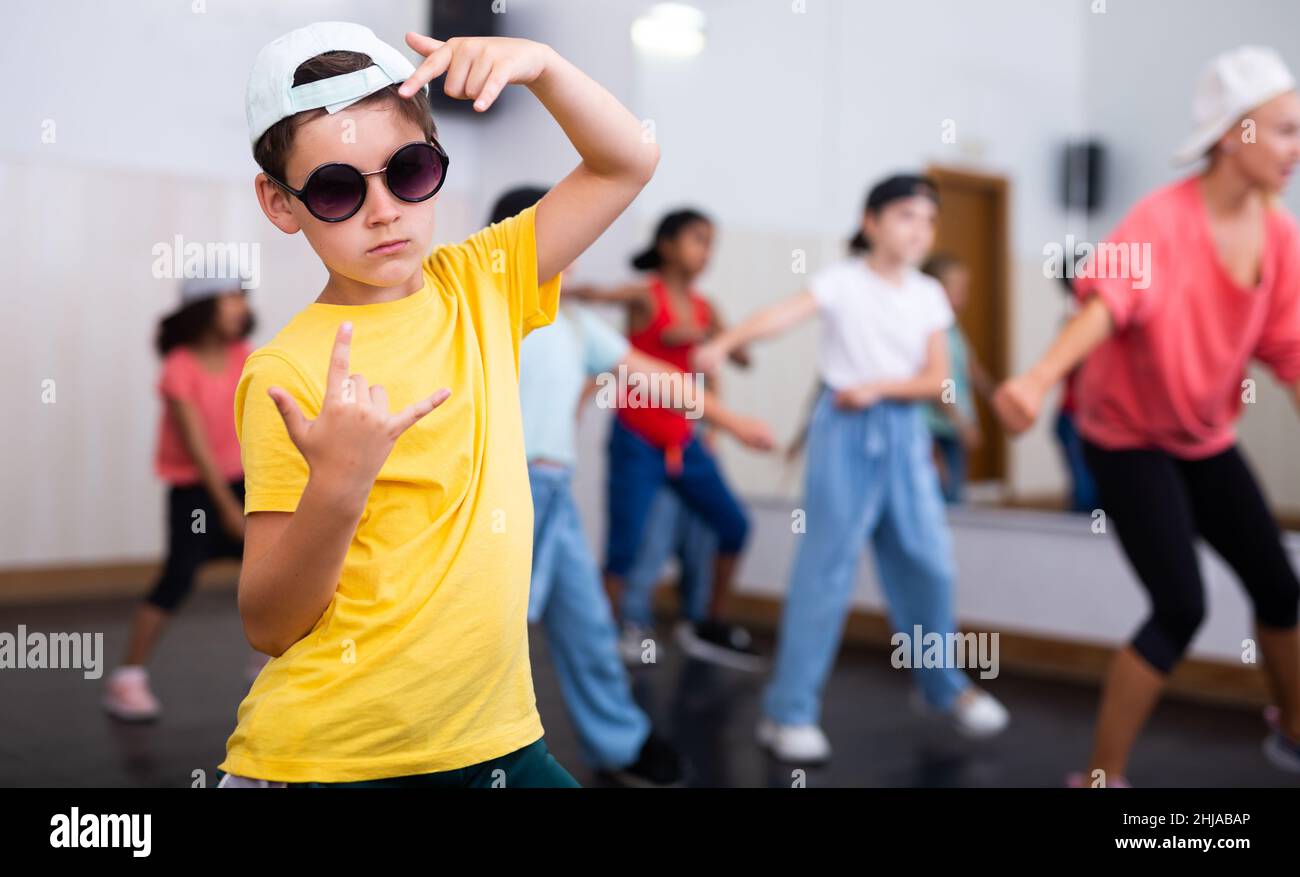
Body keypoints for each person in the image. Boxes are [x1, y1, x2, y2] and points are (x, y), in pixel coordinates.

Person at [215, 21, 659, 788]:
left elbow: (627, 162)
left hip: (497, 738)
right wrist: (338, 487)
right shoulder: (286, 370)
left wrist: (545, 68)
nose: (383, 210)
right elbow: (269, 621)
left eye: (408, 171)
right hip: (336, 758)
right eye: (336, 189)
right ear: (280, 203)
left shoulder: (484, 280)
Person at [993, 46, 1300, 784]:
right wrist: (1037, 378)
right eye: (1286, 130)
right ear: (1236, 136)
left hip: (1202, 434)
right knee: (1180, 605)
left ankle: (1292, 728)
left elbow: (1290, 350)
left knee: (1281, 590)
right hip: (1125, 439)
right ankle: (1101, 775)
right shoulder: (1160, 222)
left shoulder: (1280, 236)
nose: (1297, 149)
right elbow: (1105, 307)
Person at [696, 174, 1010, 763]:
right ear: (872, 223)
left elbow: (937, 378)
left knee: (931, 565)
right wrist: (725, 341)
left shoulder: (928, 296)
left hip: (901, 429)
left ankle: (942, 687)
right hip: (843, 432)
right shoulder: (841, 282)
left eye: (928, 220)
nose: (919, 230)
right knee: (826, 572)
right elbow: (782, 315)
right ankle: (787, 713)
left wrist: (879, 388)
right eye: (905, 217)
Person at [503, 185, 773, 785]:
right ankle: (468, 757)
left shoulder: (573, 324)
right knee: (494, 635)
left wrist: (731, 421)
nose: (574, 254)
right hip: (505, 495)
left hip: (556, 492)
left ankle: (620, 741)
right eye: (561, 238)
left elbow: (653, 377)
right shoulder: (491, 310)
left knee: (590, 628)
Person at [569, 209, 764, 671]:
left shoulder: (706, 307)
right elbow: (596, 295)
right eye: (698, 240)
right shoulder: (644, 296)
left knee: (734, 525)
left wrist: (713, 337)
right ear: (668, 244)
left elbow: (740, 359)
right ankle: (604, 635)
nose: (706, 252)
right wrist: (547, 280)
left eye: (711, 243)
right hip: (636, 438)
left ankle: (708, 624)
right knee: (625, 545)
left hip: (685, 440)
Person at [102, 279, 254, 722]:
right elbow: (197, 447)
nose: (240, 310)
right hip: (196, 491)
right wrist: (226, 508)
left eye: (243, 301)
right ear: (204, 309)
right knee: (179, 577)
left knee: (266, 569)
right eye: (231, 301)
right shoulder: (180, 367)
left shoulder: (244, 355)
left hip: (245, 481)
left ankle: (269, 661)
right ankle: (127, 679)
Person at [920, 254, 994, 504]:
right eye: (958, 288)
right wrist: (961, 422)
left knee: (954, 494)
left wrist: (996, 396)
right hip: (935, 428)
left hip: (953, 427)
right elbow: (936, 385)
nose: (964, 295)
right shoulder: (928, 330)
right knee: (943, 496)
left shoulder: (952, 326)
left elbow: (971, 367)